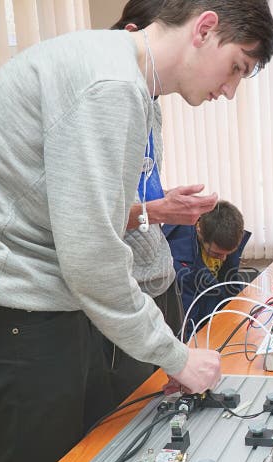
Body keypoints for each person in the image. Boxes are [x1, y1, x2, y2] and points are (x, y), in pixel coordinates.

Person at [0, 0, 273, 462]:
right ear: (205, 29)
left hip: (46, 305)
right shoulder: (110, 86)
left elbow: (92, 222)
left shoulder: (122, 75)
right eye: (236, 68)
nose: (229, 91)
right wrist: (178, 356)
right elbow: (93, 259)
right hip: (13, 317)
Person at [103, 2, 220, 403]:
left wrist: (161, 200)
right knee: (133, 405)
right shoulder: (108, 98)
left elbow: (133, 190)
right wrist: (155, 211)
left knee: (172, 396)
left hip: (159, 275)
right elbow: (93, 217)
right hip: (127, 287)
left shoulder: (149, 103)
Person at [164, 200, 250, 336]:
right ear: (199, 232)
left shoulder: (223, 236)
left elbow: (229, 283)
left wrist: (238, 311)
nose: (223, 259)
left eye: (228, 253)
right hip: (199, 325)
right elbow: (187, 321)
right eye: (217, 254)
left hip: (217, 314)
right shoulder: (181, 264)